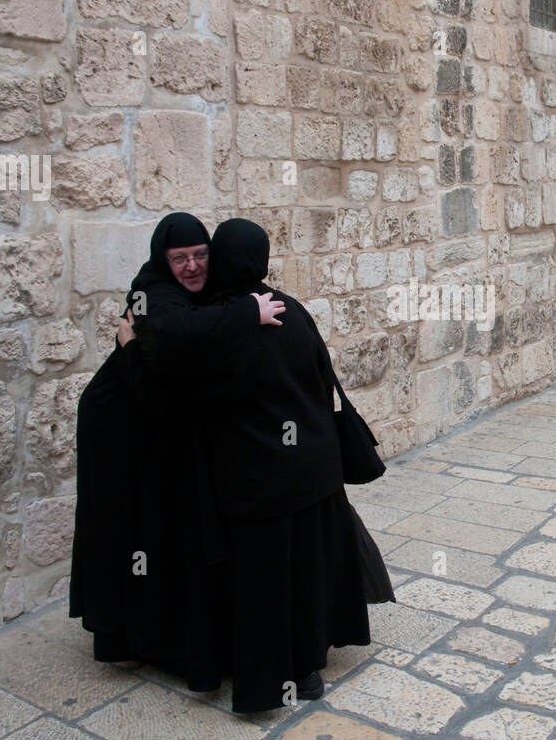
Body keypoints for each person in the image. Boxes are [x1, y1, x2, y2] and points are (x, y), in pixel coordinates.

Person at [133, 218, 377, 713]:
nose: (196, 265)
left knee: (264, 584)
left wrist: (130, 352)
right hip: (314, 469)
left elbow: (188, 400)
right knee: (306, 573)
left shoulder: (226, 325)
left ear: (221, 259)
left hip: (258, 481)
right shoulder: (292, 309)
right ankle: (306, 669)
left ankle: (269, 679)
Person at [70, 213, 287, 689]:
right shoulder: (152, 293)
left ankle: (165, 634)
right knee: (133, 529)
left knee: (164, 527)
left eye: (200, 255)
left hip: (155, 423)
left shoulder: (197, 296)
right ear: (161, 261)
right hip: (118, 429)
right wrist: (247, 312)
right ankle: (126, 636)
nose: (191, 267)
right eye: (179, 258)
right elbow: (173, 336)